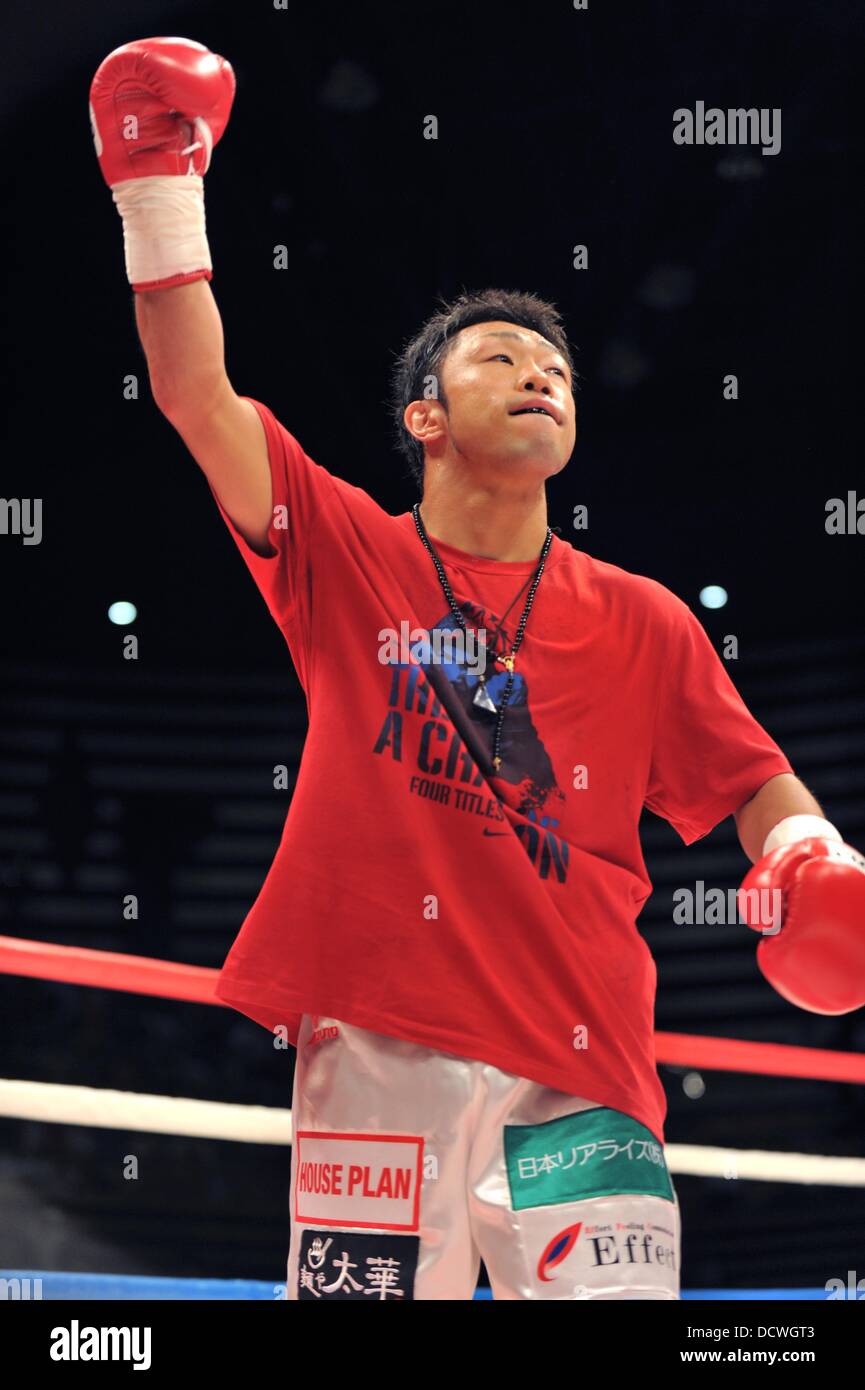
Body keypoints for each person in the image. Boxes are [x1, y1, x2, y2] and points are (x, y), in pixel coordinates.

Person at [90, 37, 865, 1301]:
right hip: (383, 1051)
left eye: (554, 365)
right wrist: (156, 183)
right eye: (500, 356)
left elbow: (751, 781)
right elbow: (193, 390)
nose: (539, 373)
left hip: (589, 1071)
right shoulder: (345, 552)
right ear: (427, 418)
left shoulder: (644, 618)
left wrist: (809, 851)